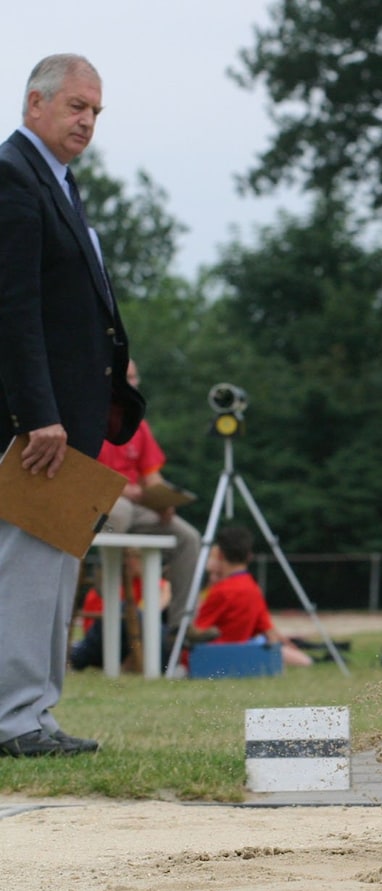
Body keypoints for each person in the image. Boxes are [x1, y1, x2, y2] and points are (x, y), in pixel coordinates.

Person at [0, 54, 144, 757]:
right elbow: (14, 310)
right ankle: (13, 719)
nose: (87, 120)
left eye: (95, 111)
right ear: (36, 105)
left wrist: (117, 364)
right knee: (28, 565)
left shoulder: (58, 181)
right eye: (75, 106)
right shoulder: (13, 176)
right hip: (39, 425)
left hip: (71, 413)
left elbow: (74, 302)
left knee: (54, 566)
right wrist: (36, 414)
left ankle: (36, 712)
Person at [98, 359, 202, 626]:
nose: (133, 384)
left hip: (137, 507)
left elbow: (152, 476)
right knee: (119, 511)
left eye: (135, 378)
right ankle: (103, 576)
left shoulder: (138, 425)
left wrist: (164, 500)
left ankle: (181, 626)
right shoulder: (90, 419)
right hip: (99, 503)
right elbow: (80, 471)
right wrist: (122, 488)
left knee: (188, 538)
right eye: (127, 378)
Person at [192, 526, 313, 668]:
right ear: (249, 556)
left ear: (220, 556)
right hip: (241, 653)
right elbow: (269, 632)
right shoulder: (253, 588)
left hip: (213, 657)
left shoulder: (220, 591)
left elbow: (196, 631)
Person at [70, 549, 173, 672]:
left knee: (154, 626)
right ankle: (76, 656)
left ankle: (76, 656)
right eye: (125, 557)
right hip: (104, 643)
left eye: (134, 556)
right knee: (124, 611)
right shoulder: (112, 585)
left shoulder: (158, 585)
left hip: (133, 642)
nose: (128, 561)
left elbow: (154, 610)